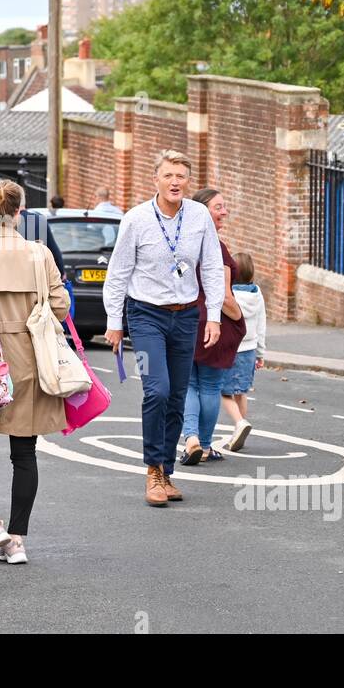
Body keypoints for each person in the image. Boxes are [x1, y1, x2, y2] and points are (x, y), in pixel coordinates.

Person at [102, 150, 224, 507]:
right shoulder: (136, 219)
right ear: (155, 179)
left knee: (176, 395)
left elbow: (213, 267)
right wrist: (114, 321)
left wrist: (213, 314)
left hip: (185, 316)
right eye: (169, 175)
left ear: (188, 182)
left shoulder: (199, 216)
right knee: (157, 390)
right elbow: (119, 271)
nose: (175, 182)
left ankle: (167, 471)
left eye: (182, 176)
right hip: (146, 316)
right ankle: (152, 469)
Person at [0, 180, 70, 566]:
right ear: (17, 212)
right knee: (24, 453)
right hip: (32, 359)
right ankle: (18, 540)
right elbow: (60, 306)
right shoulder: (39, 253)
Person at [179, 189, 246, 465]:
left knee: (188, 385)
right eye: (219, 207)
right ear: (202, 210)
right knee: (209, 385)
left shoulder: (182, 242)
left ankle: (191, 438)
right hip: (213, 323)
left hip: (184, 320)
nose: (224, 212)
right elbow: (224, 295)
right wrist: (241, 318)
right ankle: (205, 445)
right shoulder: (217, 247)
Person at [220, 253, 266, 442]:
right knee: (241, 392)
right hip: (250, 350)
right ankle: (240, 426)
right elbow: (262, 324)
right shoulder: (257, 294)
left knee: (221, 391)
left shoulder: (228, 295)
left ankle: (240, 422)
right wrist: (261, 353)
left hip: (230, 349)